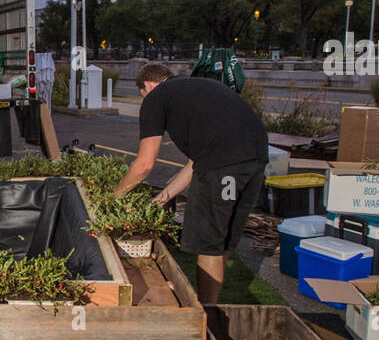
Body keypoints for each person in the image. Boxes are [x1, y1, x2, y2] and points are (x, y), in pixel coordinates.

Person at [114, 63, 267, 304]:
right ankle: (211, 304)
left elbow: (144, 164)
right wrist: (164, 196)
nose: (144, 98)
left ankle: (205, 311)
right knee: (222, 239)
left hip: (225, 167)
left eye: (141, 93)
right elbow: (197, 162)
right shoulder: (197, 89)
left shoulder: (156, 97)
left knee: (208, 243)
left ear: (148, 85)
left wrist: (114, 199)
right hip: (256, 161)